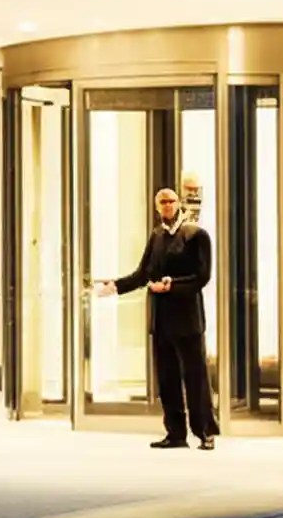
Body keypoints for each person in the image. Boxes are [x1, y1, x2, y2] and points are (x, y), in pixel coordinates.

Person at [91, 187, 219, 450]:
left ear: (179, 203)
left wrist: (173, 285)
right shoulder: (157, 236)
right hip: (162, 321)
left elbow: (202, 277)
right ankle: (175, 434)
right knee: (167, 380)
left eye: (172, 200)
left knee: (195, 379)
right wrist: (114, 286)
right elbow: (143, 274)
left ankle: (205, 432)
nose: (168, 205)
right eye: (163, 202)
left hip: (188, 321)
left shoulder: (195, 235)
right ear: (157, 206)